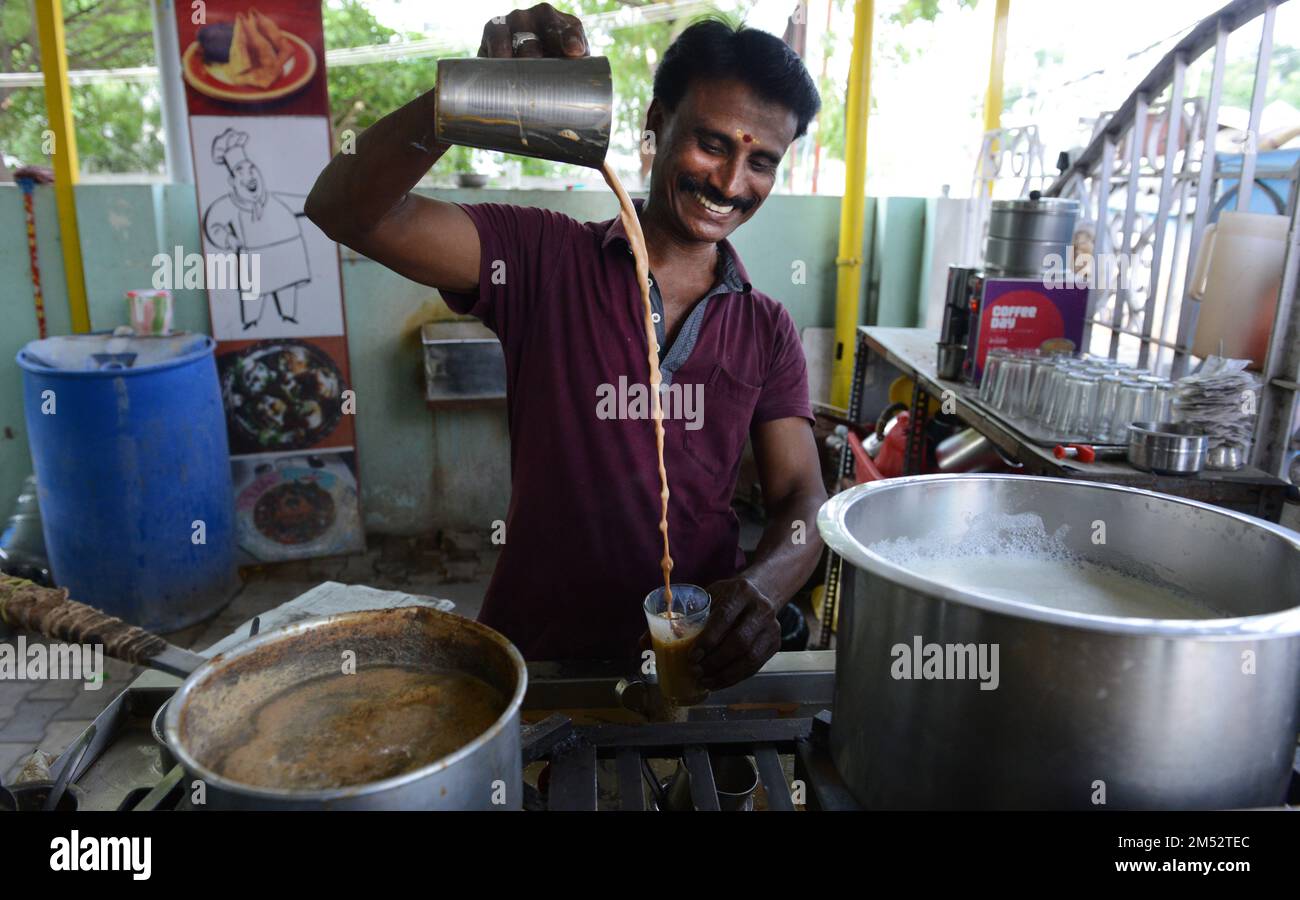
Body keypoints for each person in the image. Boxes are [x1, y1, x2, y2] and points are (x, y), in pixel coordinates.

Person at [306, 5, 827, 690]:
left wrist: (761, 590)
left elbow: (802, 498)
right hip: (537, 664)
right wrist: (464, 97)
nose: (731, 183)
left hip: (690, 667)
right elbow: (343, 209)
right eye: (712, 143)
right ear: (654, 124)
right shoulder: (541, 261)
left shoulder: (766, 327)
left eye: (762, 161)